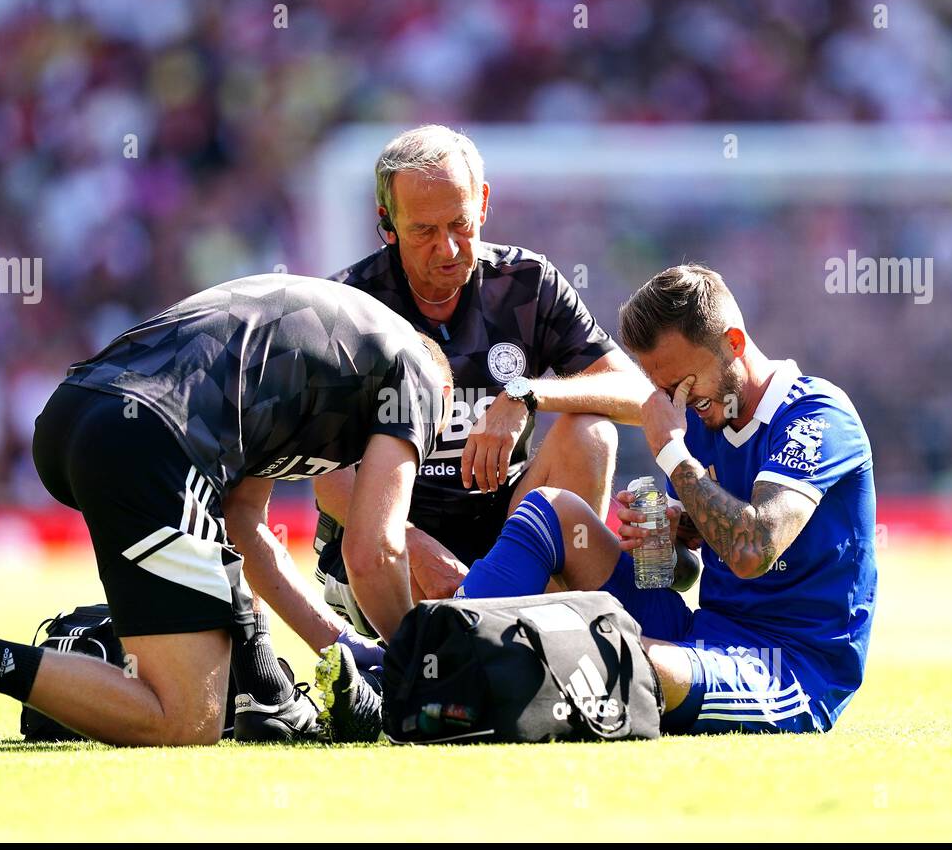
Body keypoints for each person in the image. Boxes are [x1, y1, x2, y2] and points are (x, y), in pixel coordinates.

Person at [0, 273, 451, 751]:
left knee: (217, 672)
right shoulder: (420, 375)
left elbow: (242, 526)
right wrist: (415, 674)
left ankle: (117, 653)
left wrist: (340, 646)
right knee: (186, 719)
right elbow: (376, 551)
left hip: (77, 413)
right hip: (152, 436)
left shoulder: (336, 352)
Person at [321, 264, 877, 739]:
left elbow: (753, 547)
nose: (673, 402)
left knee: (628, 659)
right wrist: (672, 540)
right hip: (705, 631)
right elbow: (684, 575)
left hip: (785, 669)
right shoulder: (710, 408)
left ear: (733, 343)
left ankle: (408, 685)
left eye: (684, 385)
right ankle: (428, 659)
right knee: (552, 511)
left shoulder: (815, 417)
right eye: (663, 390)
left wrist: (672, 456)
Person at [310, 124, 650, 651]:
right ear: (388, 225)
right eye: (423, 231)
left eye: (460, 223)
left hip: (506, 526)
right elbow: (328, 478)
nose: (447, 248)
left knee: (591, 431)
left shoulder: (527, 283)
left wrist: (527, 394)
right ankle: (437, 657)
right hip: (394, 540)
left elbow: (636, 394)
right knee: (445, 643)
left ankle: (562, 636)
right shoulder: (347, 309)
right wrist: (408, 542)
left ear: (483, 202)